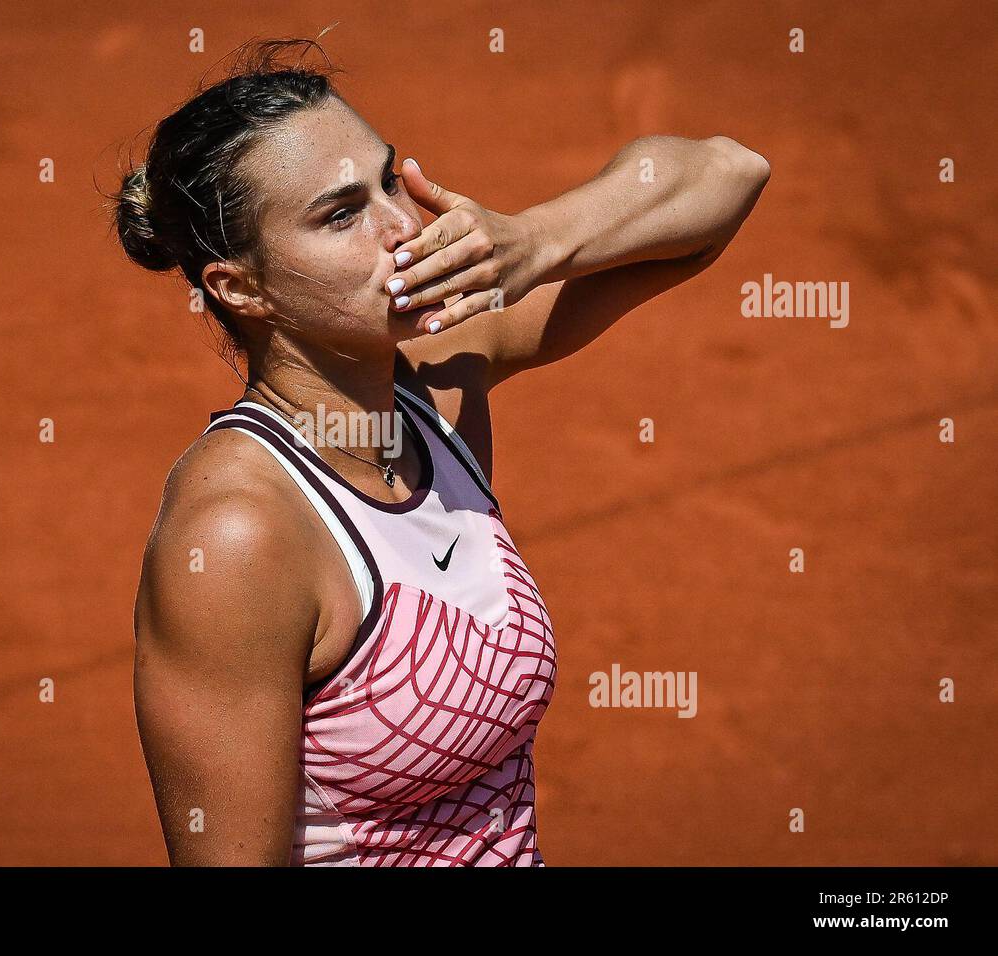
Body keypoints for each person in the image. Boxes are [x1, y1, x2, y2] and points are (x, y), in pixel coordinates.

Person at [113, 38, 769, 866]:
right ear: (239, 288)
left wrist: (533, 241)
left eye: (390, 180)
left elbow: (726, 175)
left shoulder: (438, 383)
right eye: (341, 214)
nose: (404, 229)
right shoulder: (237, 537)